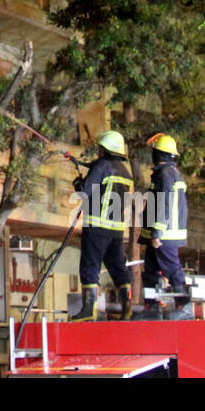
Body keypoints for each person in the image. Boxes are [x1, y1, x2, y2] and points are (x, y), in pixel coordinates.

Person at [69, 130, 134, 321]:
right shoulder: (125, 172)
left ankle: (88, 311)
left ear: (106, 149)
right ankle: (127, 308)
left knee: (90, 267)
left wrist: (77, 184)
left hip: (96, 226)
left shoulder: (102, 166)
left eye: (100, 148)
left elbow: (85, 193)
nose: (98, 151)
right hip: (115, 230)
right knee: (118, 269)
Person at [137, 132, 191, 320]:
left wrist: (157, 233)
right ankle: (150, 308)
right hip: (162, 233)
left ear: (158, 154)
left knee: (171, 268)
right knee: (150, 270)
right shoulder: (169, 173)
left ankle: (185, 307)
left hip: (164, 235)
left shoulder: (165, 174)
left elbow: (164, 203)